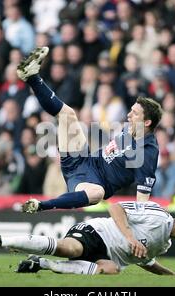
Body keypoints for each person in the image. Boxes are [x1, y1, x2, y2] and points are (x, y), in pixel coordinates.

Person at [16, 47, 162, 213]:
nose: (129, 115)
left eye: (135, 114)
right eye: (131, 110)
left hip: (91, 182)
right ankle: (32, 76)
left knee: (97, 194)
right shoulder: (130, 128)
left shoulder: (147, 151)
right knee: (67, 114)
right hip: (83, 159)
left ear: (147, 122)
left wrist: (140, 222)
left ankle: (41, 205)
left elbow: (143, 196)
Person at [0, 202, 175, 276]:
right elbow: (116, 207)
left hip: (105, 256)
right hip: (97, 232)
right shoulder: (158, 215)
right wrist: (130, 237)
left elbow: (146, 261)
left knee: (111, 270)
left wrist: (174, 275)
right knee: (69, 249)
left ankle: (41, 263)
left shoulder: (165, 244)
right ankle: (1, 240)